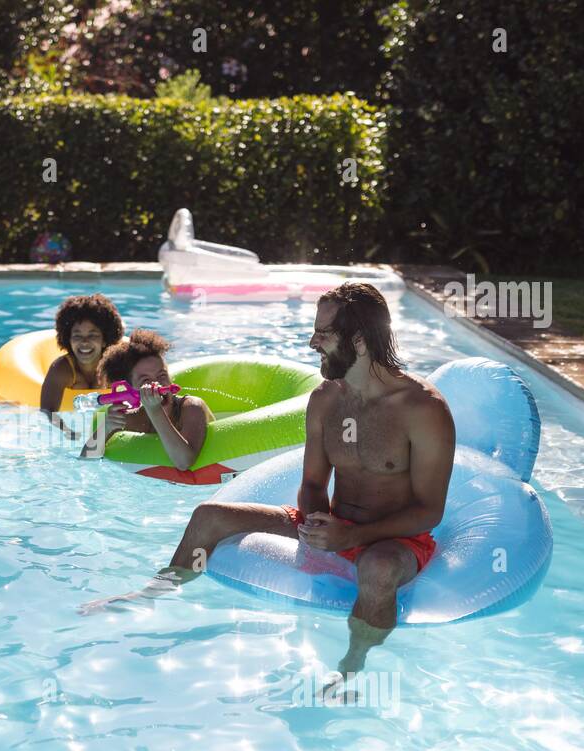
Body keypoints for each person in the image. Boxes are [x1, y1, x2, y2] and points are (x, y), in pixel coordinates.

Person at [84, 283, 455, 678]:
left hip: (392, 539)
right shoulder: (326, 399)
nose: (312, 342)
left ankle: (351, 667)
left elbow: (428, 512)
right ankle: (151, 595)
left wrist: (351, 539)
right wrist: (316, 525)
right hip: (332, 524)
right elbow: (313, 484)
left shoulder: (422, 410)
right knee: (208, 515)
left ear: (359, 341)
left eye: (323, 334)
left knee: (379, 570)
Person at [81, 329, 213, 470]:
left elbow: (184, 463)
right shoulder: (134, 418)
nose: (157, 384)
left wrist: (155, 411)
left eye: (162, 375)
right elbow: (86, 462)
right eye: (146, 380)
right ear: (130, 389)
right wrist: (106, 428)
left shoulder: (191, 407)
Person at [41, 293, 126, 437]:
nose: (84, 342)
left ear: (105, 340)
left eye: (92, 335)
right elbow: (46, 412)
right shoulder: (63, 369)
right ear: (69, 339)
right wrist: (67, 431)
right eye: (77, 335)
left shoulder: (116, 366)